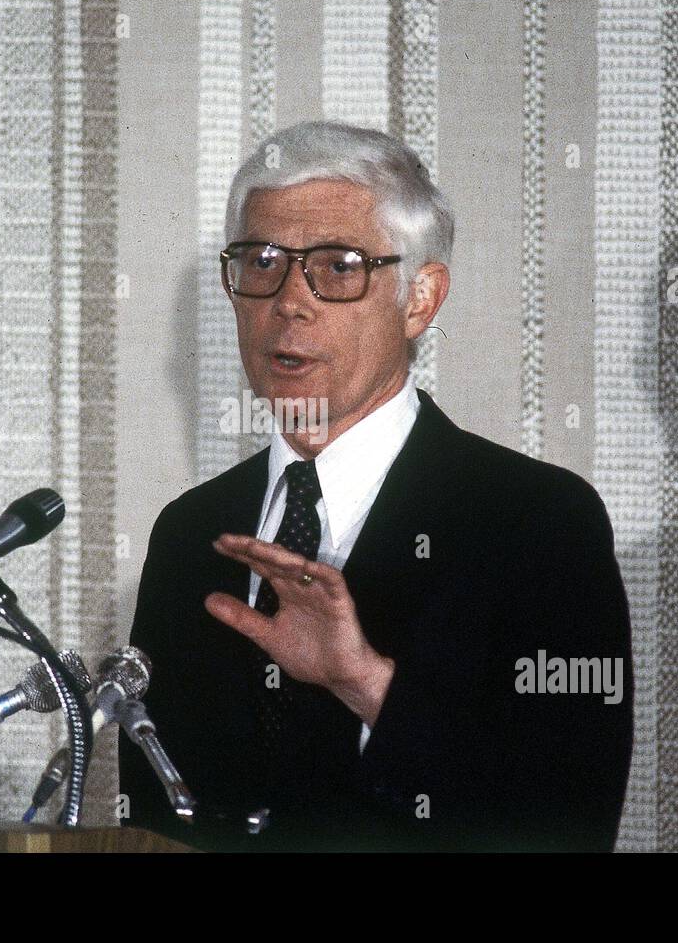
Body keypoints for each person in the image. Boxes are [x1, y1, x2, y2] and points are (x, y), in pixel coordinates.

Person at [118, 119, 633, 851]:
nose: (290, 301)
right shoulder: (190, 533)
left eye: (337, 266)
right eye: (262, 261)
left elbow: (565, 826)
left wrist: (365, 682)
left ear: (420, 299)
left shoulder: (538, 524)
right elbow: (152, 819)